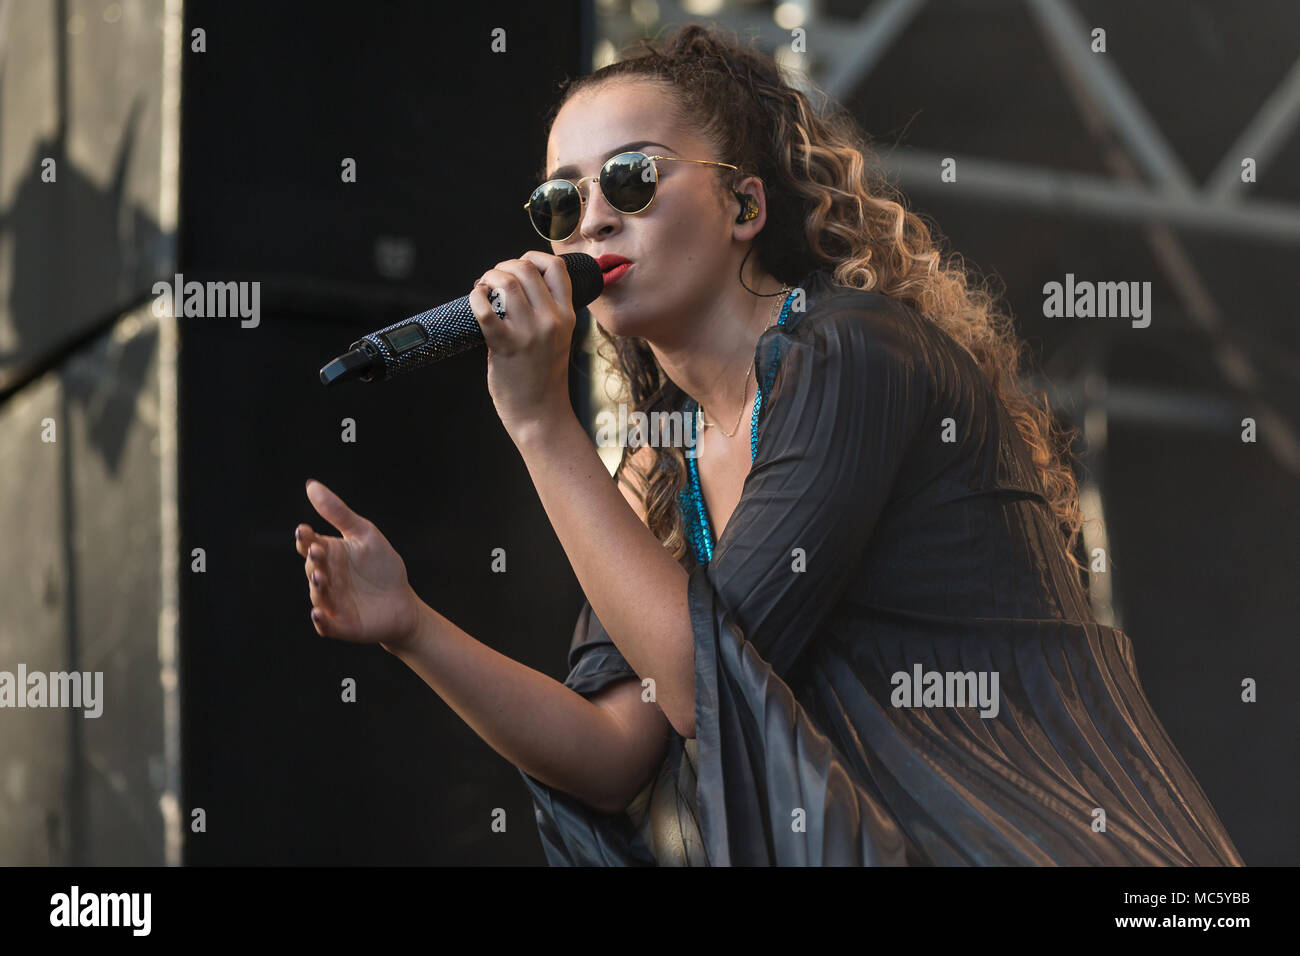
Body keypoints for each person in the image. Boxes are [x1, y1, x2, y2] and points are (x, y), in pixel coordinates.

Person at [293, 24, 1243, 866]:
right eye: (559, 202)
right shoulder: (657, 471)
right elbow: (613, 754)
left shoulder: (855, 355)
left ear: (745, 207)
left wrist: (541, 423)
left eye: (632, 177)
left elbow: (709, 690)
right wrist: (412, 625)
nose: (592, 220)